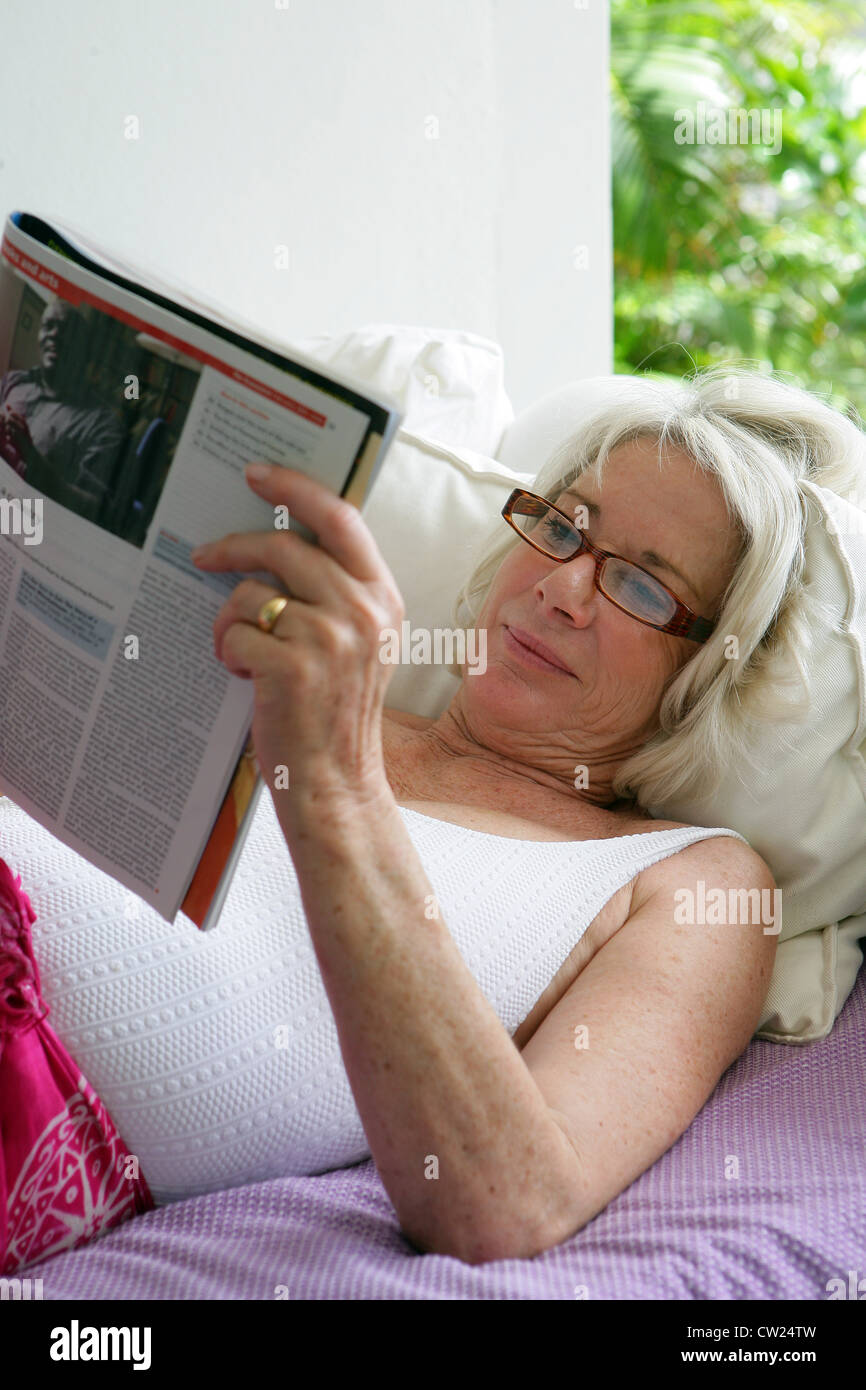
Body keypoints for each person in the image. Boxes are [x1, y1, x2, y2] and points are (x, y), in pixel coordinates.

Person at [4, 366, 864, 1268]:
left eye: (644, 588)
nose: (564, 590)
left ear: (711, 669)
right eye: (564, 527)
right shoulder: (301, 688)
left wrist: (335, 786)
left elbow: (513, 1202)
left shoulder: (694, 883)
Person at [0, 298, 126, 520]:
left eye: (68, 330)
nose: (55, 334)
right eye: (48, 326)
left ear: (85, 349)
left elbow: (93, 510)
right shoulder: (14, 382)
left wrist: (32, 458)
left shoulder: (103, 425)